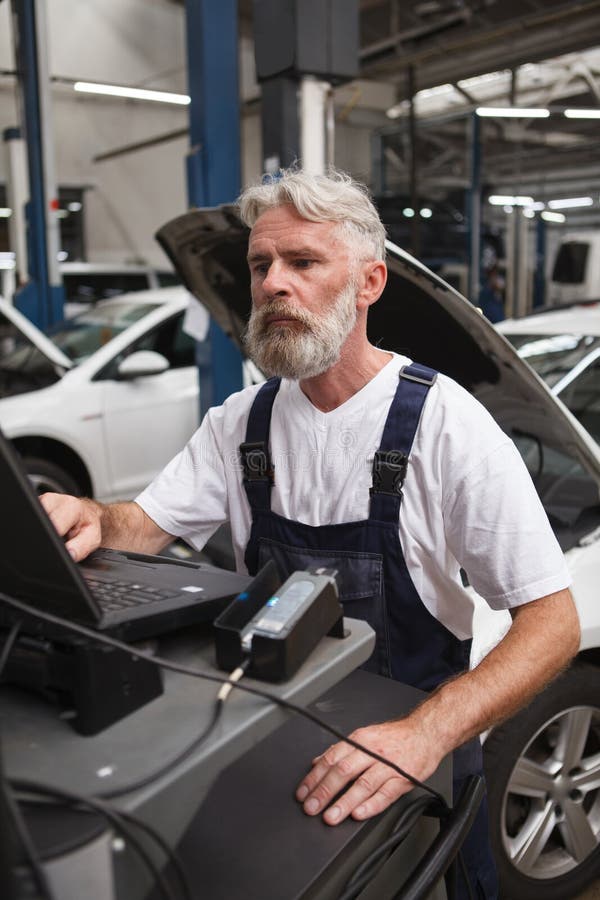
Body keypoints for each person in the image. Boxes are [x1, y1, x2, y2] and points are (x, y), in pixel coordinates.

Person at [41, 168, 579, 899]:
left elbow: (552, 622)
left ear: (369, 284)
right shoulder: (242, 424)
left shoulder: (444, 424)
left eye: (303, 262)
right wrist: (96, 518)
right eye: (261, 265)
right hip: (277, 742)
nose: (271, 284)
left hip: (418, 760)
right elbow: (143, 527)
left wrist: (424, 735)